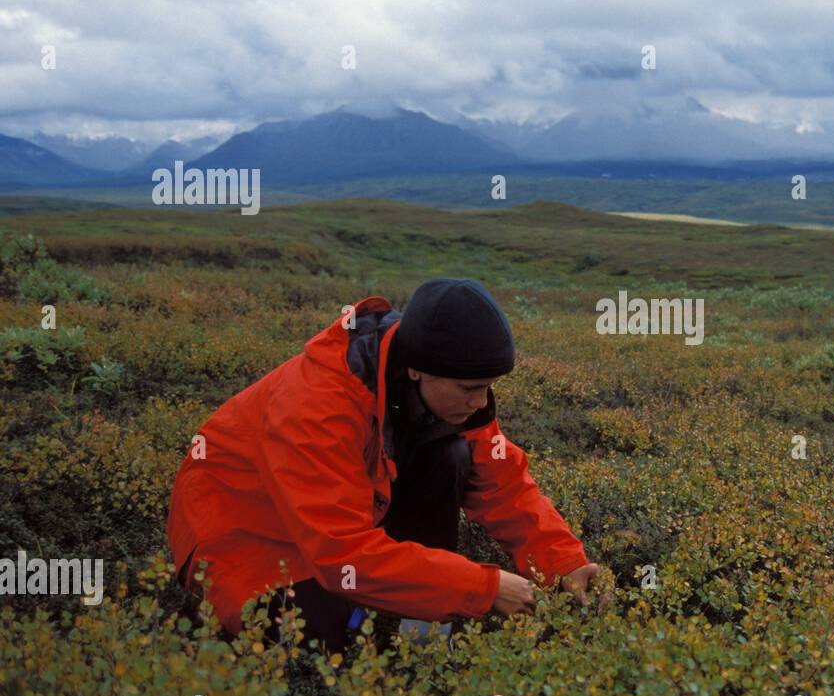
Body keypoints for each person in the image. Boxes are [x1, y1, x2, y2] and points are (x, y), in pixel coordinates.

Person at [166, 277, 608, 653]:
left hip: (332, 519)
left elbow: (505, 487)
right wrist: (483, 589)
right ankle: (390, 612)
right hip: (244, 531)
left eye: (490, 387)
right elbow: (342, 556)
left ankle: (423, 630)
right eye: (471, 388)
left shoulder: (442, 383)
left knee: (452, 454)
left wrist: (564, 563)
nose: (482, 403)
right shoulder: (317, 408)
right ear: (418, 372)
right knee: (313, 636)